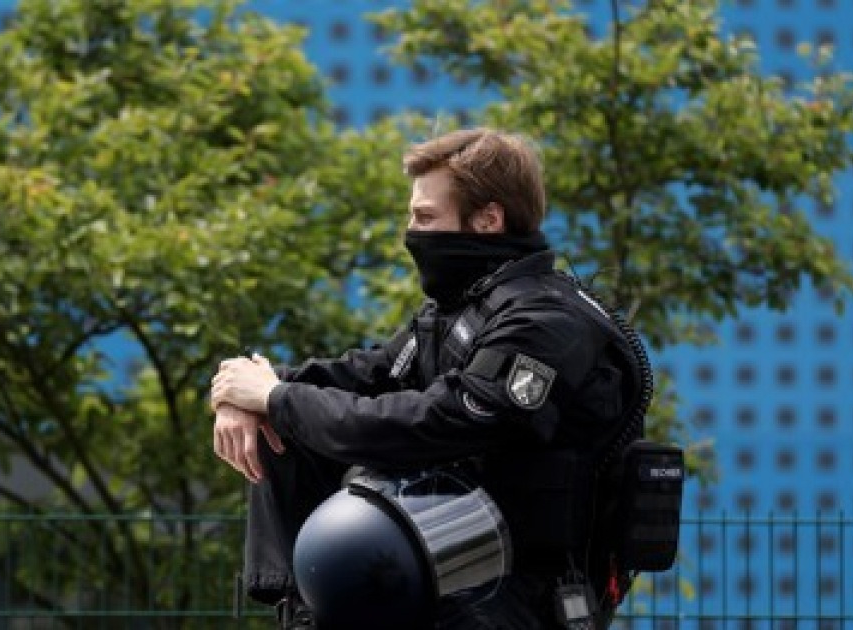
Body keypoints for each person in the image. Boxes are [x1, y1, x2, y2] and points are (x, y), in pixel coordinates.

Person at [209, 127, 648, 629]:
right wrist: (245, 393)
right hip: (444, 575)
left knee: (294, 409)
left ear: (488, 219)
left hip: (517, 596)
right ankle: (301, 606)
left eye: (425, 217)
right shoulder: (461, 313)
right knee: (292, 417)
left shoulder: (547, 323)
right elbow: (362, 378)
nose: (411, 233)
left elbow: (434, 422)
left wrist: (276, 397)